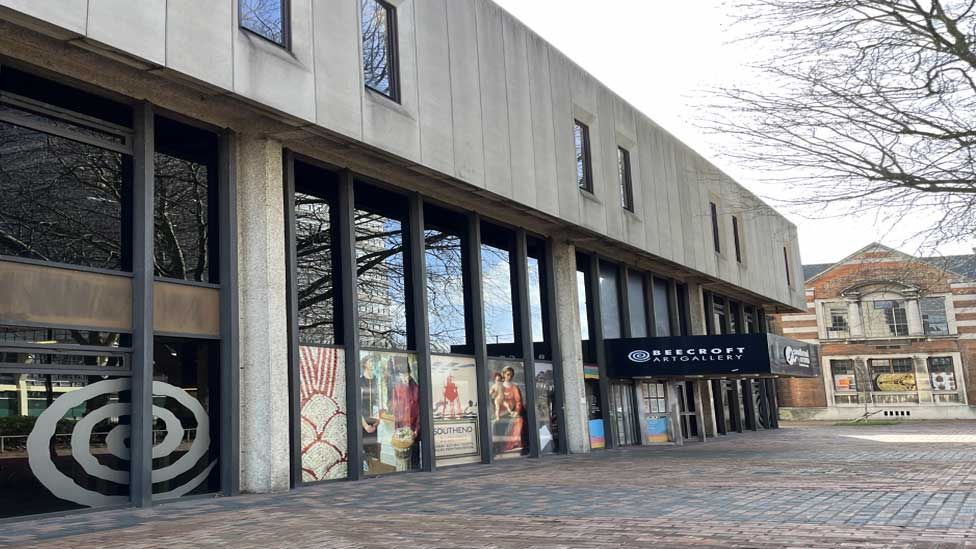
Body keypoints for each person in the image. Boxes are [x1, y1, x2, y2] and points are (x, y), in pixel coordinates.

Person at [497, 366, 525, 453]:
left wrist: (516, 411)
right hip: (500, 412)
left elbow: (518, 401)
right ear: (504, 375)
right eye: (508, 374)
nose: (509, 377)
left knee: (519, 420)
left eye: (511, 375)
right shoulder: (499, 386)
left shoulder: (514, 387)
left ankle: (513, 443)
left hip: (511, 412)